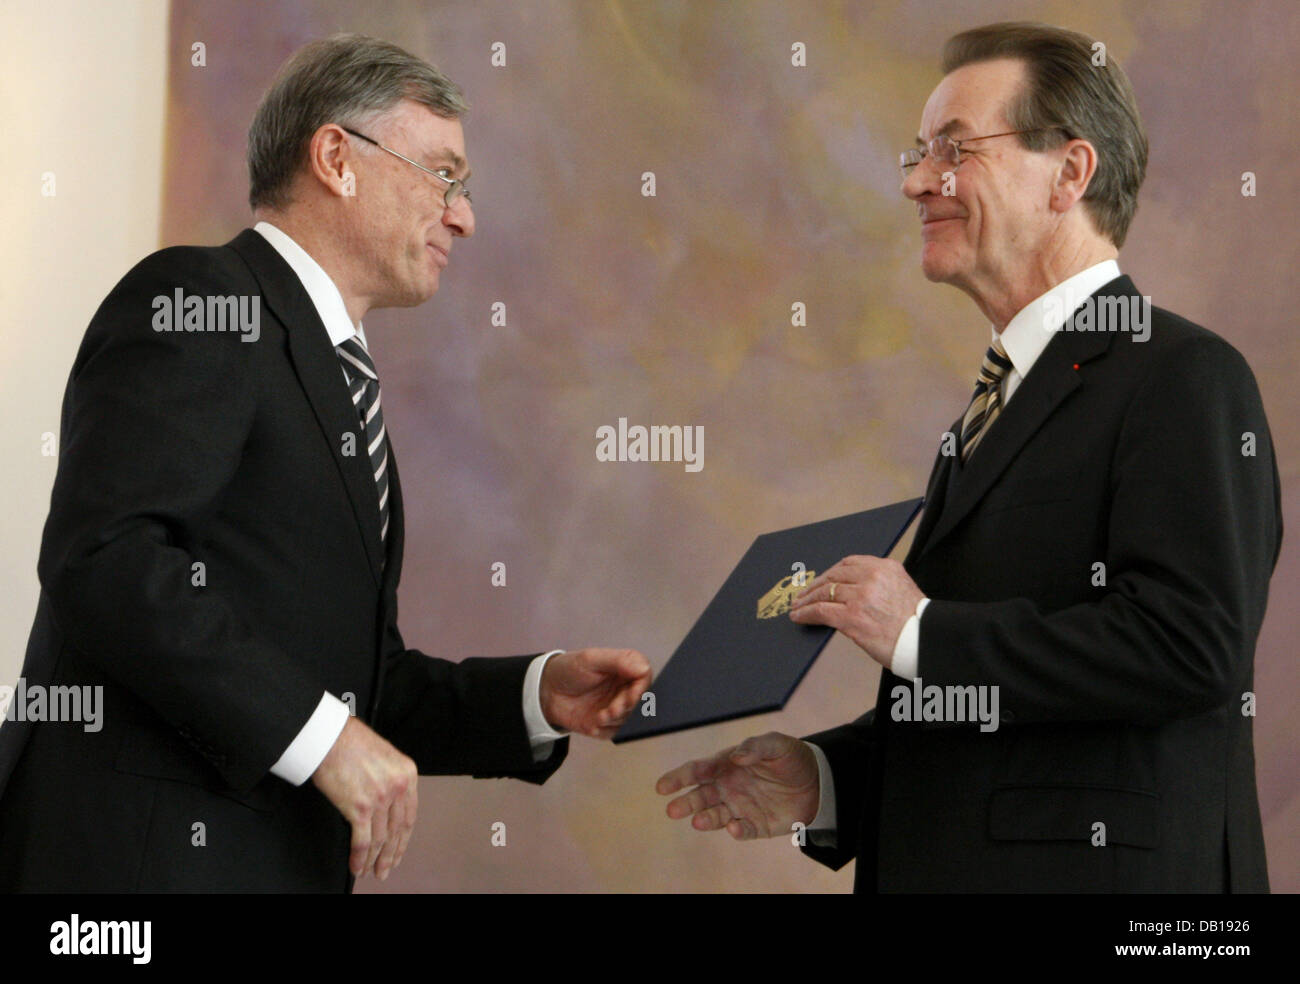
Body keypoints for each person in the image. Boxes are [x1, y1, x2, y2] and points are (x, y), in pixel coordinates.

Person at [0, 33, 650, 892]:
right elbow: (108, 561)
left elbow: (355, 683)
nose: (465, 215)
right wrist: (322, 739)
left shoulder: (339, 378)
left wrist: (534, 697)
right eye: (445, 176)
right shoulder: (203, 298)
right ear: (338, 159)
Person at [657, 21, 1281, 892]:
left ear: (1070, 173)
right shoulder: (1002, 400)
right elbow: (1006, 712)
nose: (916, 181)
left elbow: (1190, 646)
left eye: (953, 150)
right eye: (918, 153)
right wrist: (830, 781)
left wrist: (920, 631)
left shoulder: (1183, 374)